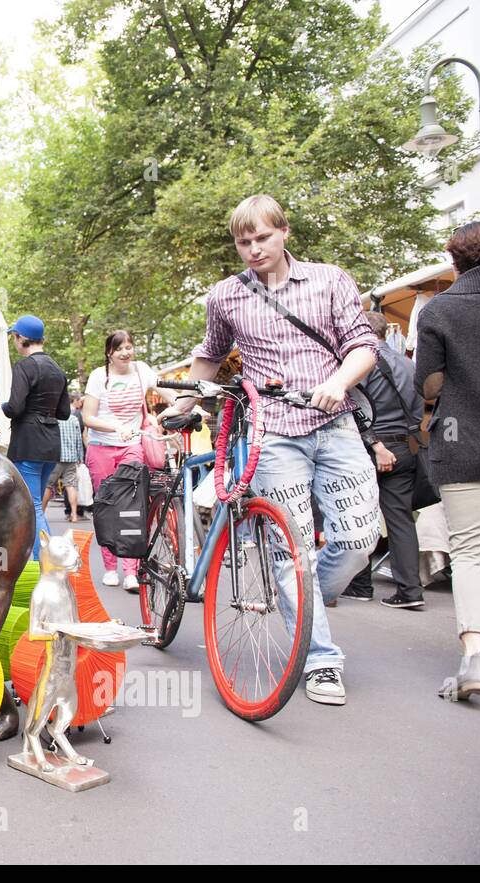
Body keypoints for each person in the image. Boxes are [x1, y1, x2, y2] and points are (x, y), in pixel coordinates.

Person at [167, 193, 379, 707]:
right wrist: (183, 401)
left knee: (359, 540)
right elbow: (210, 355)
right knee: (293, 550)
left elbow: (362, 345)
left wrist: (338, 381)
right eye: (244, 242)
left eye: (263, 237)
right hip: (272, 431)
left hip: (334, 421)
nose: (254, 249)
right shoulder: (225, 296)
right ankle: (321, 659)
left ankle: (306, 600)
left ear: (284, 231)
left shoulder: (330, 279)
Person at [414, 220, 480, 698]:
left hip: (462, 436)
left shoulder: (440, 310)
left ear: (456, 260)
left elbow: (428, 385)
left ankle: (473, 660)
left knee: (468, 551)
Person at [340, 311, 424, 610]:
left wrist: (375, 443)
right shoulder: (408, 363)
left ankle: (360, 585)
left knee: (357, 513)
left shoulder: (361, 364)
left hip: (369, 445)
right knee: (401, 519)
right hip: (404, 445)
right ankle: (410, 591)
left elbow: (354, 406)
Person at [81, 329, 164, 589]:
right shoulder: (98, 377)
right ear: (110, 353)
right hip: (101, 447)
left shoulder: (142, 371)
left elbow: (167, 391)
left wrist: (185, 404)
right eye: (120, 348)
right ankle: (109, 566)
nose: (126, 352)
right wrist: (115, 428)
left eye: (129, 346)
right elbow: (88, 417)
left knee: (132, 506)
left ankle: (131, 569)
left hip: (132, 446)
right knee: (107, 506)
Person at [0, 314, 70, 559]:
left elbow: (15, 408)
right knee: (35, 505)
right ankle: (37, 560)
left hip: (28, 442)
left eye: (14, 337)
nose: (14, 342)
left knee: (33, 508)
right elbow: (64, 412)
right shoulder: (58, 370)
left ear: (21, 338)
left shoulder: (24, 367)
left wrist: (2, 406)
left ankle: (47, 563)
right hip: (51, 444)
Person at [45, 393, 85, 522]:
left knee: (48, 485)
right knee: (71, 485)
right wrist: (80, 457)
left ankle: (42, 513)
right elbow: (79, 439)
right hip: (72, 457)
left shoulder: (54, 418)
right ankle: (74, 515)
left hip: (55, 457)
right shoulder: (73, 419)